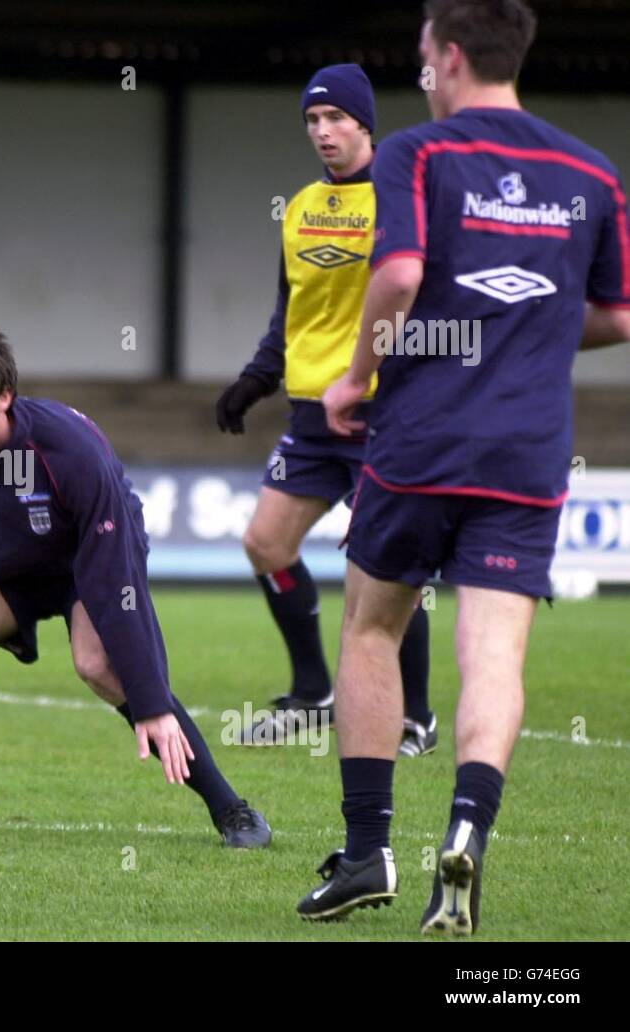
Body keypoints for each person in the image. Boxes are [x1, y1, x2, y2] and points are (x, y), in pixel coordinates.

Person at [296, 0, 630, 934]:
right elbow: (617, 314)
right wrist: (532, 330)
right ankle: (468, 835)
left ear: (448, 56)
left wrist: (356, 374)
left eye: (420, 59)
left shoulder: (421, 154)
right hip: (527, 450)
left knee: (370, 629)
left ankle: (368, 853)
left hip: (421, 441)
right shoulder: (589, 171)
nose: (419, 76)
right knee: (495, 652)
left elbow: (398, 277)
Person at [0, 323, 272, 848]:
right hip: (8, 575)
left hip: (89, 567)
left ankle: (232, 810)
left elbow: (117, 584)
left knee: (99, 664)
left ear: (4, 397)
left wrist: (150, 700)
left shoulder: (70, 452)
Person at [216, 66, 436, 756]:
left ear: (365, 124)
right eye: (312, 121)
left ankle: (416, 718)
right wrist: (257, 377)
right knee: (265, 544)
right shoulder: (301, 206)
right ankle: (313, 693)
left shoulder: (401, 199)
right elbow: (292, 310)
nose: (322, 132)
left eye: (336, 119)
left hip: (380, 412)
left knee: (385, 567)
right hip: (311, 417)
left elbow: (419, 296)